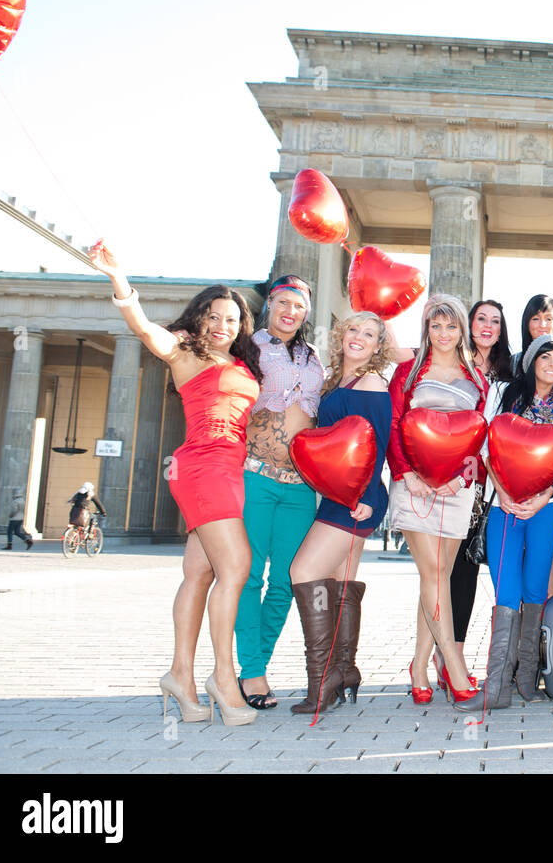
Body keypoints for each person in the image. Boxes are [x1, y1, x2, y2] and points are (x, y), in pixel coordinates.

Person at [89, 238, 261, 726]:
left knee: (201, 573)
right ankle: (223, 679)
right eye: (214, 317)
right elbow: (143, 328)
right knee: (238, 567)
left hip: (228, 467)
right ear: (199, 319)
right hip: (204, 466)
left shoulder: (242, 364)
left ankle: (180, 678)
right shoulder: (185, 353)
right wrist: (118, 278)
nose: (223, 326)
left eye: (232, 319)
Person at [458, 334, 553, 712]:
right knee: (507, 591)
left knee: (536, 589)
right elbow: (487, 445)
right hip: (504, 504)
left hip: (548, 507)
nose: (552, 365)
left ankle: (526, 681)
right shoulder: (503, 393)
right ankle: (496, 687)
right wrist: (503, 492)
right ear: (532, 359)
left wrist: (542, 497)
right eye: (546, 357)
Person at [288, 312, 392, 715]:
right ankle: (345, 670)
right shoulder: (337, 379)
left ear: (378, 346)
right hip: (340, 493)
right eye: (354, 329)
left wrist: (366, 495)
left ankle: (321, 679)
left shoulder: (371, 383)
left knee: (303, 572)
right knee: (341, 580)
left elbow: (375, 444)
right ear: (341, 334)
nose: (359, 337)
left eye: (369, 334)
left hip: (358, 497)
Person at [387, 294, 488, 706]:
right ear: (426, 328)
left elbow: (477, 435)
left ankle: (417, 665)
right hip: (413, 487)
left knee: (440, 577)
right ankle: (453, 664)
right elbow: (394, 424)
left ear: (461, 329)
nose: (443, 334)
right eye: (435, 325)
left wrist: (462, 478)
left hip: (454, 491)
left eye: (451, 326)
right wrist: (406, 474)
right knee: (432, 572)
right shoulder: (408, 372)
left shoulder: (475, 377)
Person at [236, 275, 323, 710]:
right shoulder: (246, 347)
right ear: (270, 304)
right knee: (249, 576)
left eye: (299, 306)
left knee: (288, 581)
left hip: (299, 486)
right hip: (255, 475)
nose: (291, 311)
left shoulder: (313, 357)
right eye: (283, 302)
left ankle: (256, 664)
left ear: (306, 313)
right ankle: (252, 672)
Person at [449, 300, 514, 677]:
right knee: (448, 568)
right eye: (481, 319)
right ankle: (443, 657)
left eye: (495, 321)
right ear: (468, 324)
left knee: (472, 568)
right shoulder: (452, 362)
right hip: (454, 477)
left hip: (490, 485)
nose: (487, 326)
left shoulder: (507, 373)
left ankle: (458, 656)